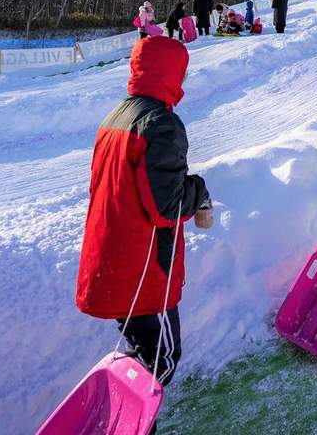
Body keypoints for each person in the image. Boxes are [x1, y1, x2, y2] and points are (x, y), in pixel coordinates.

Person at [75, 36, 213, 398]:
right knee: (161, 360)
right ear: (172, 73)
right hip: (144, 267)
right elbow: (167, 206)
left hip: (114, 257)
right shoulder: (161, 124)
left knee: (143, 352)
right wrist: (198, 189)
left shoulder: (116, 116)